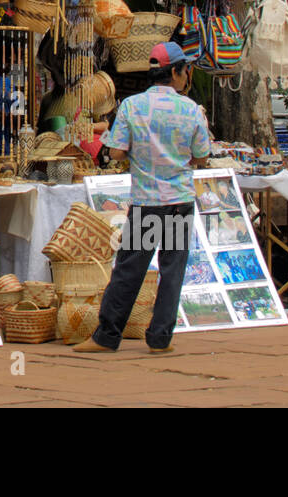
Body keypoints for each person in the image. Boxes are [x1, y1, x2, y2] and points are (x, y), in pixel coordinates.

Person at [75, 42, 211, 356]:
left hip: (147, 201)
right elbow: (202, 156)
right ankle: (160, 338)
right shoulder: (190, 109)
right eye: (185, 70)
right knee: (171, 271)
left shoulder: (132, 106)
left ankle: (107, 335)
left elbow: (118, 151)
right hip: (178, 202)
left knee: (129, 270)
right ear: (176, 72)